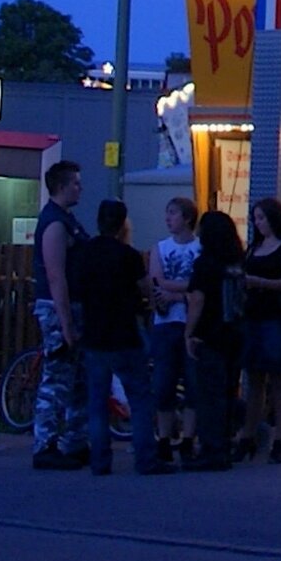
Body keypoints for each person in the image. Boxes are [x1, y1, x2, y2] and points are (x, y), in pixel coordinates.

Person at [65, 199, 172, 476]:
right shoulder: (129, 256)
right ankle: (146, 458)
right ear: (123, 224)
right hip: (124, 333)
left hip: (94, 334)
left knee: (97, 400)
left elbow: (75, 291)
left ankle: (100, 460)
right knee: (139, 397)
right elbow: (145, 289)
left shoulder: (85, 254)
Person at [30, 160, 91, 470]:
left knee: (77, 378)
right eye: (76, 183)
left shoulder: (68, 220)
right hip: (57, 309)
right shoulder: (54, 224)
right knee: (57, 376)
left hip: (74, 306)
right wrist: (66, 324)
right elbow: (56, 275)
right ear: (62, 185)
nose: (80, 188)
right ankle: (45, 443)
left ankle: (76, 440)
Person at [238, 197, 281, 464]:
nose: (259, 223)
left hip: (277, 317)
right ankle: (248, 434)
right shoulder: (255, 247)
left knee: (279, 376)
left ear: (274, 218)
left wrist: (260, 282)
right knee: (254, 379)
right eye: (255, 219)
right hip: (254, 316)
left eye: (262, 218)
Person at [182, 211, 246, 471]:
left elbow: (197, 299)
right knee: (228, 391)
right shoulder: (237, 262)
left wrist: (189, 331)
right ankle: (226, 443)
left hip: (210, 332)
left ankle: (211, 449)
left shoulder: (205, 263)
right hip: (236, 332)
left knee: (209, 394)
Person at [146, 196, 202, 465]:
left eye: (173, 214)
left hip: (190, 321)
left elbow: (198, 285)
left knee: (193, 383)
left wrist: (177, 293)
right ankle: (165, 438)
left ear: (187, 218)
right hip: (166, 324)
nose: (168, 219)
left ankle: (189, 438)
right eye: (167, 213)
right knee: (164, 384)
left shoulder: (200, 249)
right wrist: (184, 291)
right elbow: (157, 282)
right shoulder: (161, 248)